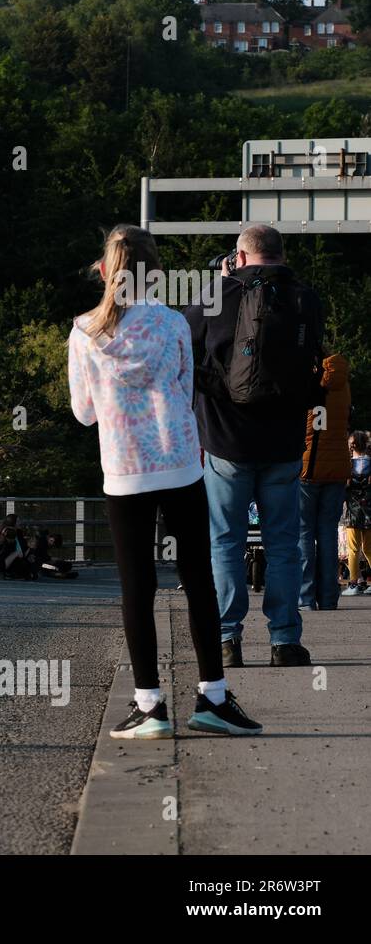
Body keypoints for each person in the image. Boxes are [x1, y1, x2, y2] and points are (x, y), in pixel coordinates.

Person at [71, 224, 260, 738]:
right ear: (155, 272)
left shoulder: (85, 330)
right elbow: (183, 389)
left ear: (105, 270)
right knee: (198, 580)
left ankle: (149, 705)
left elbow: (84, 413)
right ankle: (213, 699)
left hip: (124, 470)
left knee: (138, 588)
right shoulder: (175, 323)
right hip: (179, 463)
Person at [185, 224, 323, 669]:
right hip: (284, 442)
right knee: (284, 543)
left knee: (225, 541)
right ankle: (285, 642)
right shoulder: (306, 298)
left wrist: (221, 283)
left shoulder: (217, 294)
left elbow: (183, 350)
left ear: (240, 256)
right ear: (281, 255)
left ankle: (227, 640)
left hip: (226, 441)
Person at [299, 353, 351, 610]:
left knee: (304, 532)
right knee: (328, 532)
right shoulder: (344, 385)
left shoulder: (310, 381)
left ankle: (306, 597)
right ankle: (329, 597)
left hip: (309, 467)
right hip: (338, 466)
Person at [342, 431, 371, 596]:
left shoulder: (347, 465)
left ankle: (353, 584)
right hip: (370, 511)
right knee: (369, 549)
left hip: (352, 512)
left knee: (353, 549)